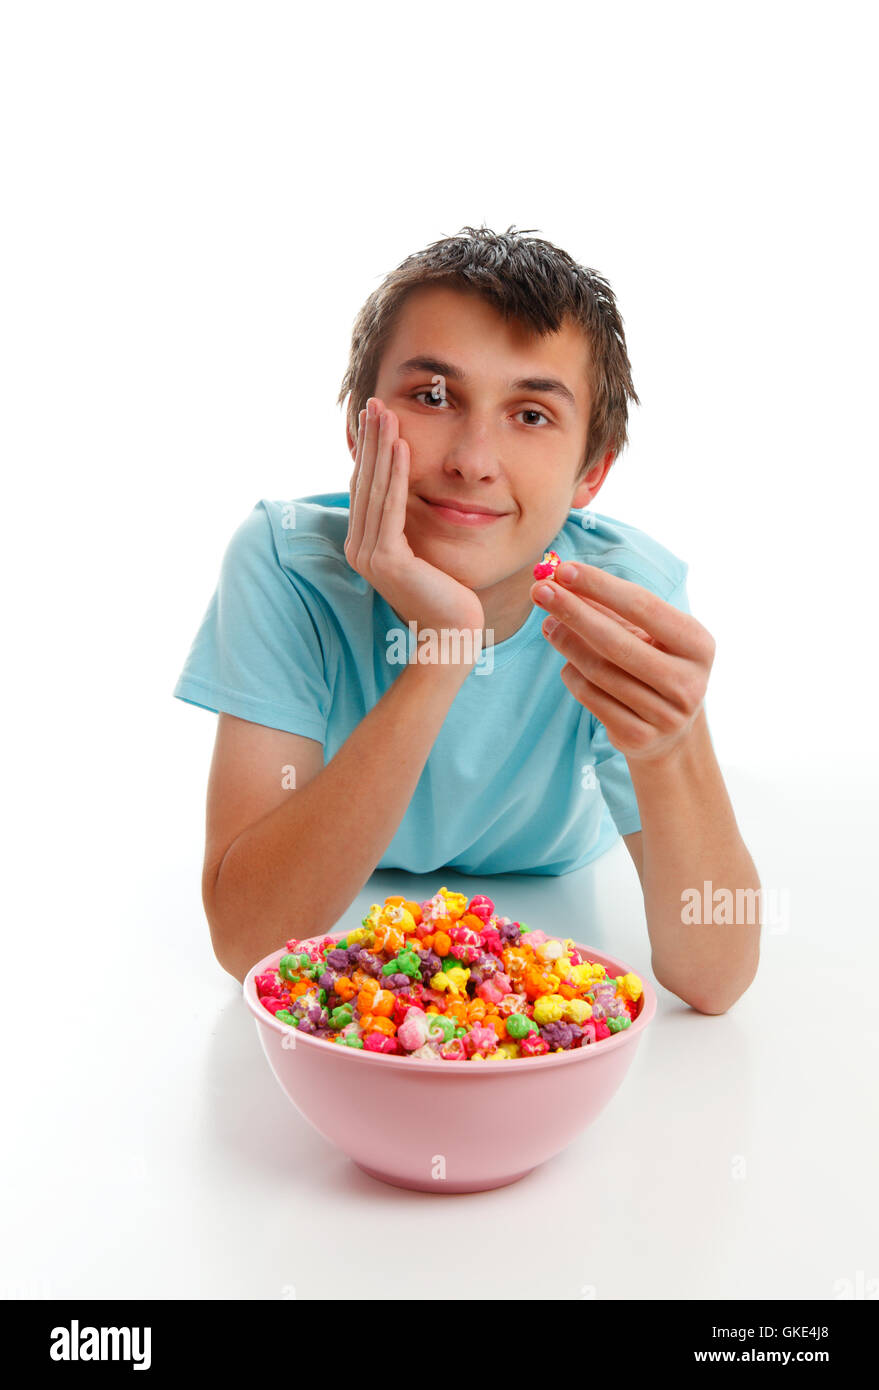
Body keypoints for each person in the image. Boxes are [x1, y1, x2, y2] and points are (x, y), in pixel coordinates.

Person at [174, 226, 761, 1009]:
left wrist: (670, 750)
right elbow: (251, 942)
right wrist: (442, 651)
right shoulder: (287, 566)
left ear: (592, 471)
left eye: (530, 415)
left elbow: (715, 979)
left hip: (551, 872)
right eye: (432, 397)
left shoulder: (621, 596)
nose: (472, 459)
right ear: (358, 429)